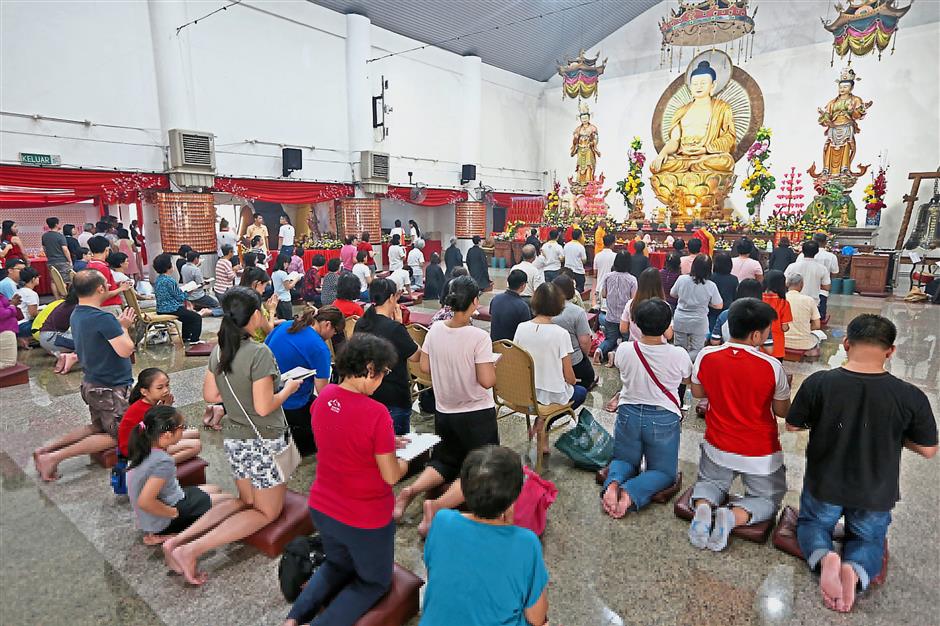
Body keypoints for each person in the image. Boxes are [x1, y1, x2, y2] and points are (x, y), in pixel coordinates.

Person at [786, 314, 937, 613]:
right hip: (875, 490)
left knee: (813, 524)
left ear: (846, 344)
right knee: (870, 539)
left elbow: (792, 426)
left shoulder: (819, 382)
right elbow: (929, 449)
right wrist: (895, 436)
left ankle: (825, 557)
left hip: (824, 482)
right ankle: (854, 570)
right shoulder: (910, 396)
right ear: (890, 351)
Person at [179, 287, 303, 586]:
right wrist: (287, 389)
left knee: (245, 500)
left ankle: (178, 541)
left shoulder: (221, 348)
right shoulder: (259, 353)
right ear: (254, 314)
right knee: (267, 513)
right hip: (264, 439)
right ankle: (192, 549)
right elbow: (263, 407)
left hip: (236, 438)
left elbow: (210, 394)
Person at [285, 334, 408, 626]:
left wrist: (384, 443)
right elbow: (390, 475)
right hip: (362, 518)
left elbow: (340, 436)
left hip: (323, 505)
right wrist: (402, 460)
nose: (382, 379)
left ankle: (291, 621)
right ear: (368, 368)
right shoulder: (376, 413)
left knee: (337, 564)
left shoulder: (324, 397)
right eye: (383, 372)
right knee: (374, 582)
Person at [394, 276, 499, 536]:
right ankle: (437, 506)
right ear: (475, 301)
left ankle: (410, 490)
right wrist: (493, 367)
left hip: (445, 412)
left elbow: (426, 367)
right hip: (476, 417)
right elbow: (486, 381)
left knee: (445, 461)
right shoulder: (478, 337)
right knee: (482, 469)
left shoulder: (437, 328)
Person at [687, 298, 790, 552]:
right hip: (759, 451)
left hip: (717, 443)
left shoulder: (706, 355)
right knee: (766, 499)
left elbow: (698, 393)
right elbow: (781, 411)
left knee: (710, 484)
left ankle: (702, 508)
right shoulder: (772, 366)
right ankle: (733, 517)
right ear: (756, 335)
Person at [420, 445, 549, 626]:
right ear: (516, 495)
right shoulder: (526, 543)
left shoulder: (442, 521)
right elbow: (536, 618)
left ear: (463, 489)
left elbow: (437, 572)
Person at [33, 270, 137, 481]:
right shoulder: (103, 317)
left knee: (98, 426)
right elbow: (126, 350)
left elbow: (95, 343)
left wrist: (115, 326)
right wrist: (124, 327)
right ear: (101, 288)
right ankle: (54, 457)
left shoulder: (77, 313)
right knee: (124, 435)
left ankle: (46, 449)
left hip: (92, 384)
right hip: (111, 387)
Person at [603, 299, 691, 518]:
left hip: (628, 413)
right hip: (662, 418)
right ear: (668, 325)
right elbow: (687, 380)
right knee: (662, 472)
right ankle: (630, 492)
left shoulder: (624, 349)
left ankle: (613, 484)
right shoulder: (678, 354)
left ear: (636, 323)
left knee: (624, 461)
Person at [127, 405, 235, 546]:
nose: (184, 430)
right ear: (167, 435)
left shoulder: (143, 448)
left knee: (215, 489)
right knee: (230, 501)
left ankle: (157, 531)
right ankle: (165, 534)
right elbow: (145, 501)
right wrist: (174, 513)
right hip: (166, 517)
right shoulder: (163, 462)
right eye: (181, 427)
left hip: (157, 511)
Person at [514, 282, 588, 452]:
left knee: (551, 398)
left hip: (524, 393)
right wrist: (572, 380)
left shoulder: (521, 328)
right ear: (558, 305)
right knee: (581, 392)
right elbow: (569, 376)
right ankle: (544, 422)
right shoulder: (560, 334)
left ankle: (542, 424)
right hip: (550, 395)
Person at [266, 306, 341, 456]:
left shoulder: (287, 325)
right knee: (327, 435)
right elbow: (323, 392)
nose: (333, 335)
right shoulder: (319, 348)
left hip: (265, 393)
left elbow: (266, 347)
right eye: (335, 331)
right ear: (327, 324)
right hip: (290, 403)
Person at [355, 279, 420, 435]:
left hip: (368, 393)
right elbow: (416, 356)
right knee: (396, 448)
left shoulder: (362, 323)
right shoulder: (395, 329)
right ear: (392, 297)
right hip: (393, 396)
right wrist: (400, 325)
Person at [118, 367, 201, 463]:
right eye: (160, 387)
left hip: (151, 440)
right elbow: (163, 430)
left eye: (167, 385)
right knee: (196, 445)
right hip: (138, 450)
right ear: (144, 391)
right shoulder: (143, 409)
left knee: (195, 432)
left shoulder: (149, 403)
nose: (166, 390)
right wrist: (166, 408)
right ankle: (157, 465)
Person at [670, 255, 723, 363]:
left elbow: (673, 294)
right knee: (697, 349)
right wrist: (707, 303)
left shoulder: (682, 279)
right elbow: (719, 305)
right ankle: (689, 368)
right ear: (709, 269)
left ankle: (679, 367)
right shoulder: (711, 285)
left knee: (679, 347)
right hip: (699, 321)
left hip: (681, 318)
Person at [552, 275, 595, 389]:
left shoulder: (546, 309)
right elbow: (584, 342)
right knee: (588, 378)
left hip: (550, 359)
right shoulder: (577, 312)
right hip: (573, 360)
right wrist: (584, 356)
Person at [597, 252, 638, 364]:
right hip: (625, 318)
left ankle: (599, 350)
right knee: (626, 340)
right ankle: (615, 354)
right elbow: (633, 300)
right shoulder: (632, 279)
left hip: (610, 316)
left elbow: (604, 294)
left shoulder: (607, 276)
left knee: (610, 339)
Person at [153, 253, 205, 344]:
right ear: (168, 266)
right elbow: (179, 298)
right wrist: (189, 291)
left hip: (160, 308)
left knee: (187, 315)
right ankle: (195, 339)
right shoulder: (170, 280)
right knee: (196, 317)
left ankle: (186, 337)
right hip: (171, 308)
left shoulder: (158, 279)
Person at [795, 233, 840, 319]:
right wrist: (826, 282)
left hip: (803, 289)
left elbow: (797, 272)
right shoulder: (831, 257)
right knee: (818, 317)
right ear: (825, 242)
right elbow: (835, 273)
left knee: (801, 315)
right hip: (821, 291)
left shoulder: (801, 256)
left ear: (813, 240)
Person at [709, 279, 764, 345]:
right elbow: (769, 348)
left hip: (727, 353)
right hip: (752, 354)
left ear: (738, 293)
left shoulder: (725, 315)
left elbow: (715, 341)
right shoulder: (763, 316)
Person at [86, 235, 130, 316]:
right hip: (109, 306)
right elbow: (105, 294)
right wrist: (121, 288)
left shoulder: (90, 264)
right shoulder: (102, 268)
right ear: (107, 250)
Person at [38, 287, 79, 373]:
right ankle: (70, 356)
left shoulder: (66, 303)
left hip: (46, 337)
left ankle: (62, 354)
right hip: (52, 338)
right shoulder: (76, 307)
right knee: (92, 342)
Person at [239, 267, 282, 341]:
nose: (264, 290)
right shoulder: (255, 302)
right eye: (264, 286)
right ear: (257, 284)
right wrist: (272, 311)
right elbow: (269, 330)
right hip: (257, 344)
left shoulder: (239, 297)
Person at [784, 274, 822, 355]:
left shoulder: (781, 299)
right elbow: (817, 325)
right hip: (804, 344)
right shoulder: (809, 300)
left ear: (787, 284)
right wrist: (806, 329)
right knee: (817, 339)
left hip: (783, 342)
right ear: (801, 285)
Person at [488, 269, 531, 342]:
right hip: (512, 348)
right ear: (523, 285)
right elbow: (526, 331)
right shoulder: (523, 306)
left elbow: (491, 315)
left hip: (495, 344)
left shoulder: (496, 299)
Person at [785, 241, 832, 307]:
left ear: (802, 251)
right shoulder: (822, 268)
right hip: (813, 303)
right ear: (817, 252)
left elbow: (786, 283)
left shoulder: (792, 266)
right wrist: (817, 283)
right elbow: (827, 287)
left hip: (793, 302)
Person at [762, 270, 793, 358]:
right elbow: (784, 327)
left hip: (759, 342)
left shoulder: (758, 298)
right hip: (777, 345)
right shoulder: (783, 303)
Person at [708, 251, 738, 332]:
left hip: (712, 310)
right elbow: (735, 296)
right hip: (728, 310)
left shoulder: (710, 277)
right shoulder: (734, 279)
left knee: (713, 332)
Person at [42, 217, 73, 285]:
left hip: (50, 261)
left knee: (54, 281)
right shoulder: (60, 236)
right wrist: (70, 260)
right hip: (62, 261)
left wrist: (49, 256)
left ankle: (57, 296)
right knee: (66, 281)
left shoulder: (44, 236)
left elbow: (44, 248)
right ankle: (66, 295)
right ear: (56, 224)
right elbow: (65, 249)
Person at [14, 267, 40, 342]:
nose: (38, 279)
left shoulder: (18, 291)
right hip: (23, 326)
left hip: (16, 325)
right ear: (33, 279)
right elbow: (33, 314)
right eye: (37, 277)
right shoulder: (31, 293)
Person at [592, 233, 617, 309]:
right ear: (613, 244)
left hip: (599, 287)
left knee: (599, 309)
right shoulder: (615, 256)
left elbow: (595, 274)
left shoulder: (597, 255)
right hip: (611, 289)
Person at [270, 253, 298, 321]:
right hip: (285, 299)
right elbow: (288, 287)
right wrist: (296, 279)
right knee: (288, 321)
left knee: (281, 320)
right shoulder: (283, 273)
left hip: (277, 299)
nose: (288, 265)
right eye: (288, 263)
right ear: (284, 263)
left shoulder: (274, 273)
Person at [0, 293, 20, 369]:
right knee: (8, 363)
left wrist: (11, 303)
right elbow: (2, 314)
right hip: (4, 331)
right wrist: (12, 305)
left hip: (5, 330)